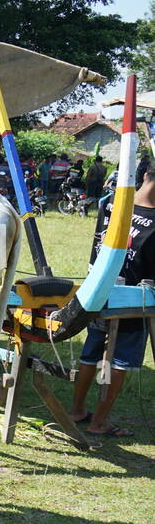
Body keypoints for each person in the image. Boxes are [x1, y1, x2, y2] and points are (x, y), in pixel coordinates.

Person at [69, 157, 155, 438]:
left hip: (98, 292)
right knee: (120, 361)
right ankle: (100, 421)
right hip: (132, 301)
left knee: (91, 353)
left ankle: (78, 409)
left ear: (144, 176)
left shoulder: (112, 202)